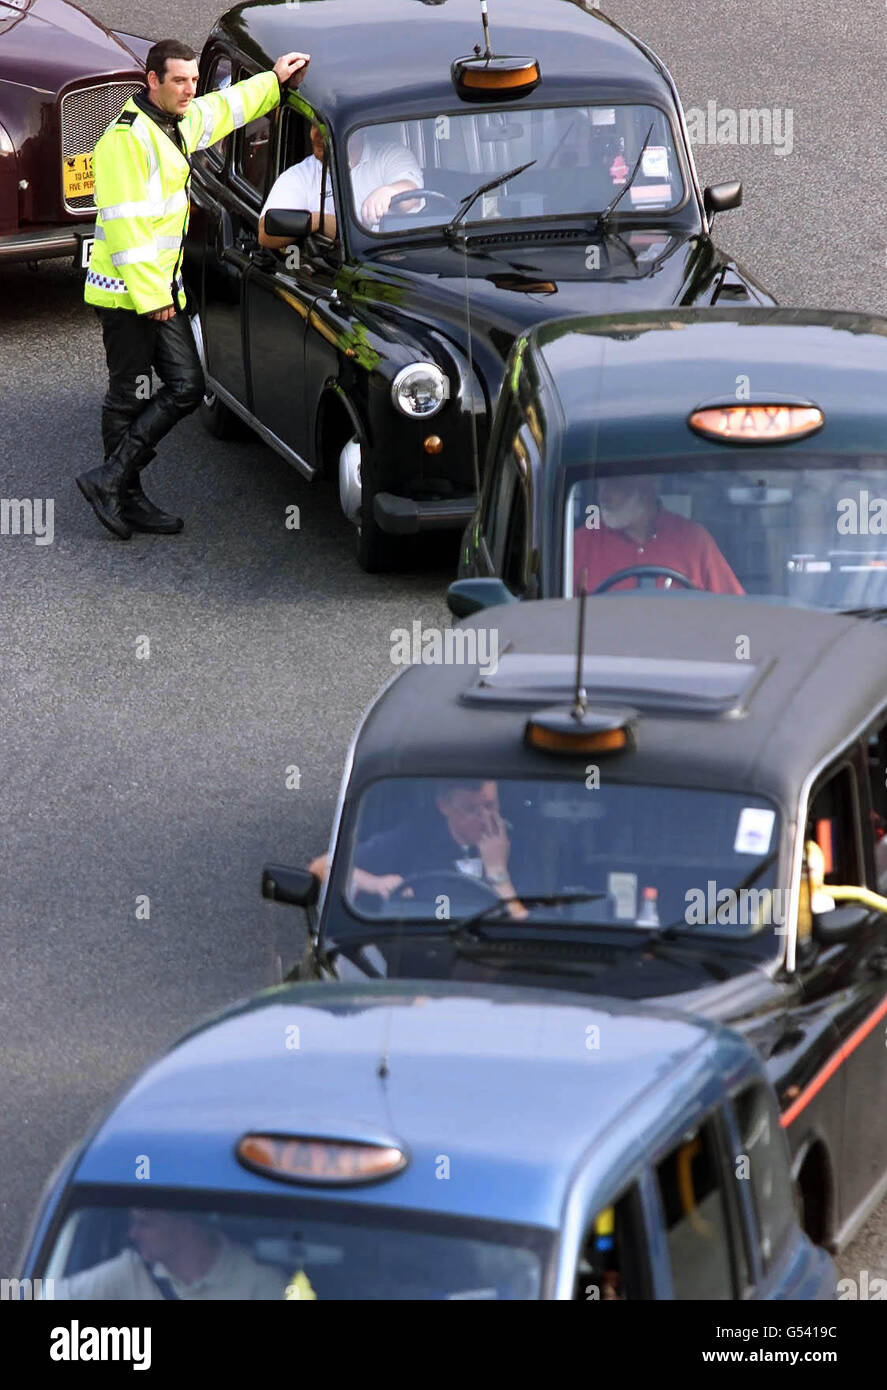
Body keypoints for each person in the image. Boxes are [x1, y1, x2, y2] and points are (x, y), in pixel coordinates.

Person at [76, 39, 311, 540]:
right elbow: (124, 225)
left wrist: (274, 79)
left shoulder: (179, 119)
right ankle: (125, 493)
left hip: (159, 290)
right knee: (127, 396)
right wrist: (152, 296)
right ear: (151, 81)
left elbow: (226, 108)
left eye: (192, 79)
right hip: (126, 295)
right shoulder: (125, 139)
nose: (189, 89)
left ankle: (112, 480)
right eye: (178, 80)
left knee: (187, 384)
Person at [309, 779, 528, 919]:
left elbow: (527, 935)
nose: (485, 818)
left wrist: (498, 872)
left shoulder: (523, 846)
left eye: (490, 806)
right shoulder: (412, 839)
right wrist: (375, 883)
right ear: (444, 806)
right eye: (470, 809)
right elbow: (322, 867)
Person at [49, 1209, 286, 1300]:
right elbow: (48, 1296)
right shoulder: (130, 1271)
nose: (133, 1234)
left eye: (145, 1224)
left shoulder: (261, 1282)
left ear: (184, 1226)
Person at [573, 476, 744, 594]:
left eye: (615, 486)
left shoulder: (694, 541)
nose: (603, 497)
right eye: (600, 486)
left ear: (646, 490)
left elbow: (734, 612)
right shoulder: (579, 545)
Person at [259, 123, 422, 248]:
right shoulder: (299, 175)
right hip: (335, 272)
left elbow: (411, 195)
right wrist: (319, 221)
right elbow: (266, 233)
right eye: (315, 125)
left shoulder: (390, 155)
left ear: (359, 130)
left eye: (327, 126)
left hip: (399, 254)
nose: (316, 135)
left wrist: (389, 192)